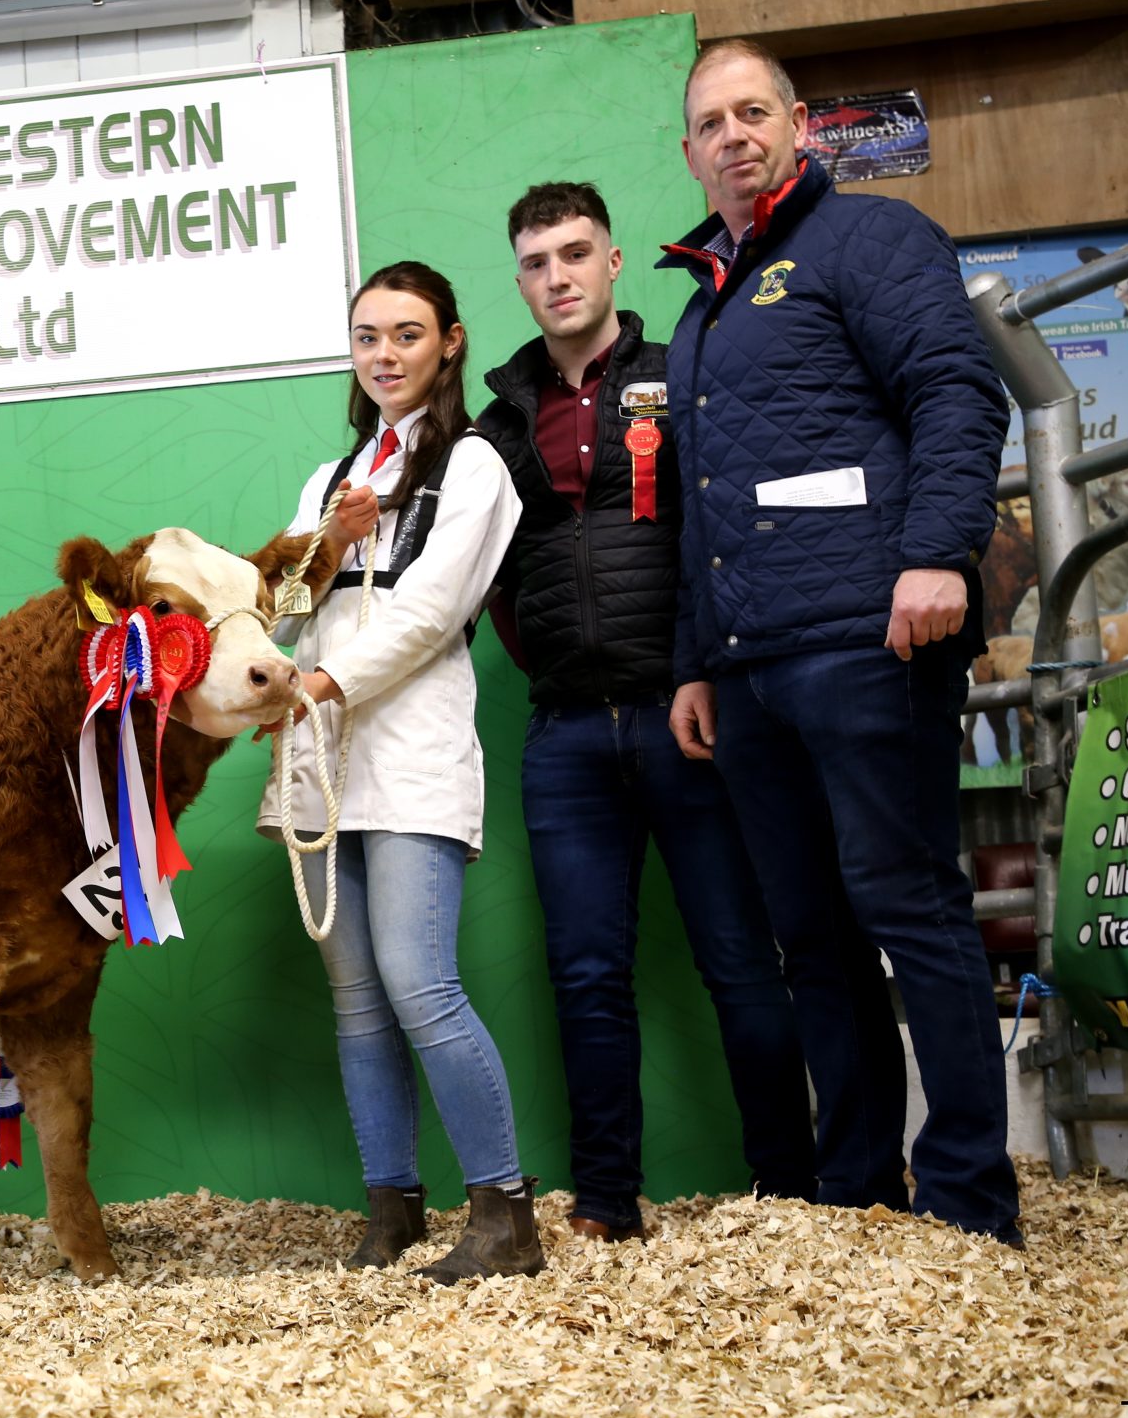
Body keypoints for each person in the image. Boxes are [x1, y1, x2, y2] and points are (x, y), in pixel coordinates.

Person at [660, 39, 1023, 1244]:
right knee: (809, 938)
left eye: (751, 112)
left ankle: (970, 1199)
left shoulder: (869, 239)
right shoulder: (699, 301)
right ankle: (857, 1194)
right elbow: (701, 506)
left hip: (868, 639)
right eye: (709, 122)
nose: (732, 136)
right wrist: (694, 661)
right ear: (688, 151)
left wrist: (938, 554)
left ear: (798, 123)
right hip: (752, 669)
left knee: (905, 906)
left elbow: (956, 394)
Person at [475, 180, 816, 1242]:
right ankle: (608, 1205)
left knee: (736, 959)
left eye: (574, 254)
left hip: (690, 716)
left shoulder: (682, 374)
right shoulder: (499, 418)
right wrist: (561, 664)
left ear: (614, 262)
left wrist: (692, 669)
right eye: (535, 262)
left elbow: (722, 529)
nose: (556, 277)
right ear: (519, 279)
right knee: (584, 977)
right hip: (564, 736)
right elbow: (487, 576)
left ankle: (791, 1193)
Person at [255, 260, 541, 1284]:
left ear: (450, 343)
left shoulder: (472, 466)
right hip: (321, 762)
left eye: (407, 335)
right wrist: (320, 549)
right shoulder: (328, 481)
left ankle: (505, 1215)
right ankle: (391, 1207)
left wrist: (322, 682)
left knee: (421, 985)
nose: (385, 355)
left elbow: (428, 615)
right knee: (357, 1004)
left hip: (410, 750)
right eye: (368, 336)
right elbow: (276, 612)